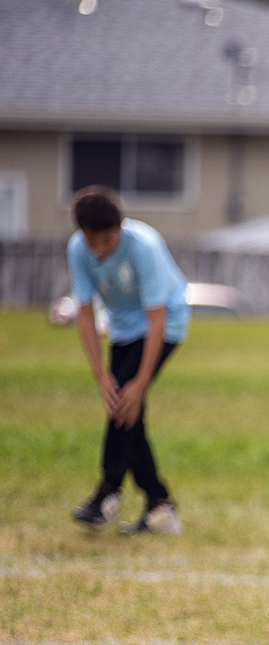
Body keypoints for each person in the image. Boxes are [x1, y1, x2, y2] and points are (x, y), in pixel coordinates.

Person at [66, 185, 190, 534]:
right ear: (82, 234)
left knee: (125, 404)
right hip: (122, 329)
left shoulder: (144, 247)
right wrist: (100, 375)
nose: (102, 249)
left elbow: (157, 318)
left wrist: (141, 381)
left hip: (165, 326)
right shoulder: (77, 249)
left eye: (109, 240)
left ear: (121, 227)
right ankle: (159, 505)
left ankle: (108, 494)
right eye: (95, 241)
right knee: (125, 408)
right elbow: (86, 314)